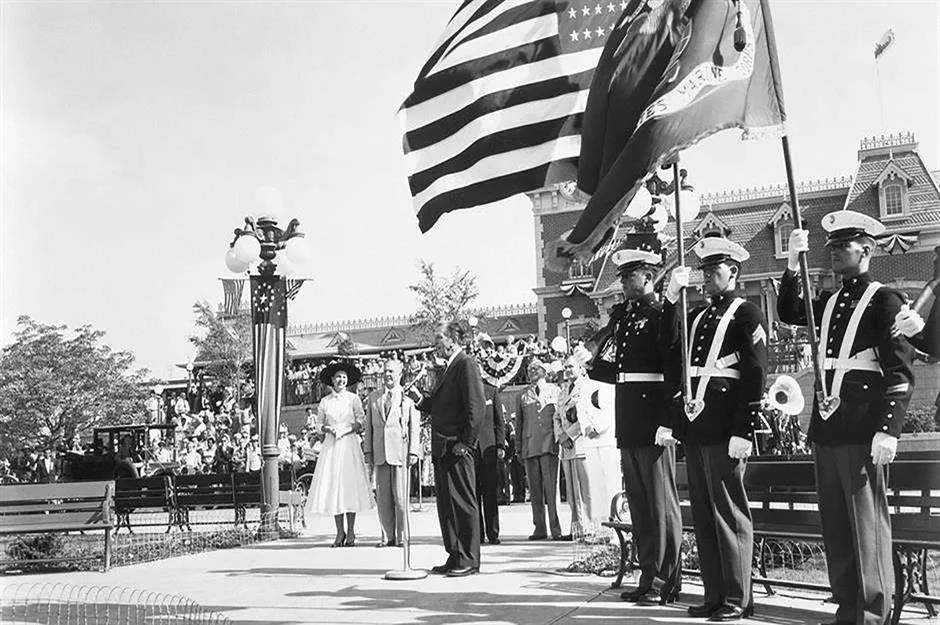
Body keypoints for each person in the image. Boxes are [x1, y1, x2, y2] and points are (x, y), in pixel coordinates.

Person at [778, 211, 915, 625]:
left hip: (860, 427)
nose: (834, 253)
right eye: (831, 247)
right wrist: (790, 264)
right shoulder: (832, 301)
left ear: (867, 250)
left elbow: (900, 372)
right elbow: (788, 311)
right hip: (829, 426)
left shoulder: (886, 300)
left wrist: (888, 429)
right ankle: (848, 607)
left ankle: (873, 612)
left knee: (866, 526)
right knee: (837, 525)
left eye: (844, 246)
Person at [663, 235, 767, 621]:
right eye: (703, 271)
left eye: (714, 271)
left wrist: (745, 428)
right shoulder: (699, 316)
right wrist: (673, 299)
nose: (707, 277)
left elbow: (755, 372)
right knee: (705, 516)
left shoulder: (747, 314)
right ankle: (714, 593)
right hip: (697, 428)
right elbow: (670, 349)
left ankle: (738, 597)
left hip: (726, 429)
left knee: (729, 514)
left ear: (733, 272)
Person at [590, 234, 682, 605]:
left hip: (653, 420)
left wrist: (668, 420)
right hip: (629, 417)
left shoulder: (662, 315)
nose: (625, 283)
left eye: (631, 276)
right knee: (641, 505)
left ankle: (666, 578)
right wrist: (594, 360)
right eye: (624, 276)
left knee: (660, 504)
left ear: (649, 276)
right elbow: (618, 370)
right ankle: (648, 573)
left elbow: (672, 369)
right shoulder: (626, 319)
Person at [406, 321, 485, 577]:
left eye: (439, 337)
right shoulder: (447, 368)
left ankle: (469, 559)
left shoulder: (466, 364)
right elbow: (440, 406)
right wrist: (420, 399)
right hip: (442, 448)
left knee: (463, 503)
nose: (436, 342)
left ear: (452, 339)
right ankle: (454, 554)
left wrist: (467, 443)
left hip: (457, 446)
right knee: (447, 506)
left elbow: (476, 408)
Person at [305, 361, 374, 547]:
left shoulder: (353, 399)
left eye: (344, 377)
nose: (341, 380)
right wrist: (328, 429)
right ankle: (339, 532)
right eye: (338, 377)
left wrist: (349, 429)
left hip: (349, 444)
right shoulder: (325, 401)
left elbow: (361, 419)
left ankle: (351, 532)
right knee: (334, 487)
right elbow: (318, 424)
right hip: (332, 446)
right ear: (332, 381)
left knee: (349, 486)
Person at [364, 359, 421, 547]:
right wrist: (368, 451)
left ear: (399, 374)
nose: (387, 375)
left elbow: (414, 427)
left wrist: (413, 451)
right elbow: (369, 427)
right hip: (380, 454)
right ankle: (387, 536)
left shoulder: (407, 398)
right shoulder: (374, 398)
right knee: (383, 498)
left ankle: (402, 536)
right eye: (385, 371)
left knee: (401, 498)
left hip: (400, 453)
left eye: (391, 371)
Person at [515, 359, 565, 541]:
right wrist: (518, 449)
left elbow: (560, 418)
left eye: (536, 369)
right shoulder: (522, 395)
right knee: (535, 491)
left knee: (552, 490)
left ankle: (556, 528)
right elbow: (519, 424)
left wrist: (560, 440)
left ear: (545, 371)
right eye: (529, 370)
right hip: (530, 446)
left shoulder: (555, 391)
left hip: (549, 445)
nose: (532, 372)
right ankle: (539, 528)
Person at [473, 334, 507, 544]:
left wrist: (501, 445)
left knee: (491, 493)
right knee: (474, 495)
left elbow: (499, 421)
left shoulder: (491, 391)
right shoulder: (464, 393)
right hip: (471, 451)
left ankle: (493, 533)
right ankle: (478, 534)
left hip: (489, 449)